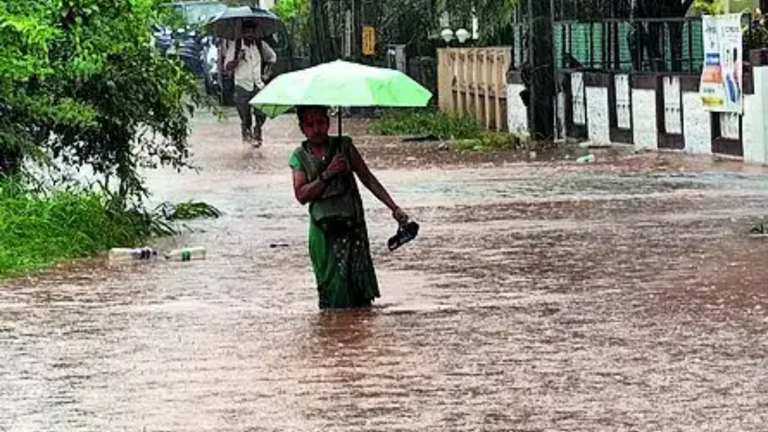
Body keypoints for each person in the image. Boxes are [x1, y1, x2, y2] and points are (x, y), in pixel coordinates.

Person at [289, 105, 410, 310]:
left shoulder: (344, 146)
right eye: (310, 125)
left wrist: (394, 208)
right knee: (331, 290)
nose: (316, 129)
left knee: (360, 290)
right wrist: (328, 174)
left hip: (353, 228)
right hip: (324, 233)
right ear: (302, 128)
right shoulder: (299, 157)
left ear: (328, 123)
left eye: (320, 123)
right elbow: (301, 195)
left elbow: (368, 179)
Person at [223, 22, 277, 147]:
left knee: (262, 111)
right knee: (245, 117)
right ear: (243, 32)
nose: (250, 34)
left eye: (252, 32)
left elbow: (272, 58)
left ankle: (257, 130)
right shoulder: (235, 46)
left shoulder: (259, 45)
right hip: (242, 86)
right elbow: (227, 67)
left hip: (258, 84)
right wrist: (238, 58)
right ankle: (247, 143)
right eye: (247, 31)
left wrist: (267, 74)